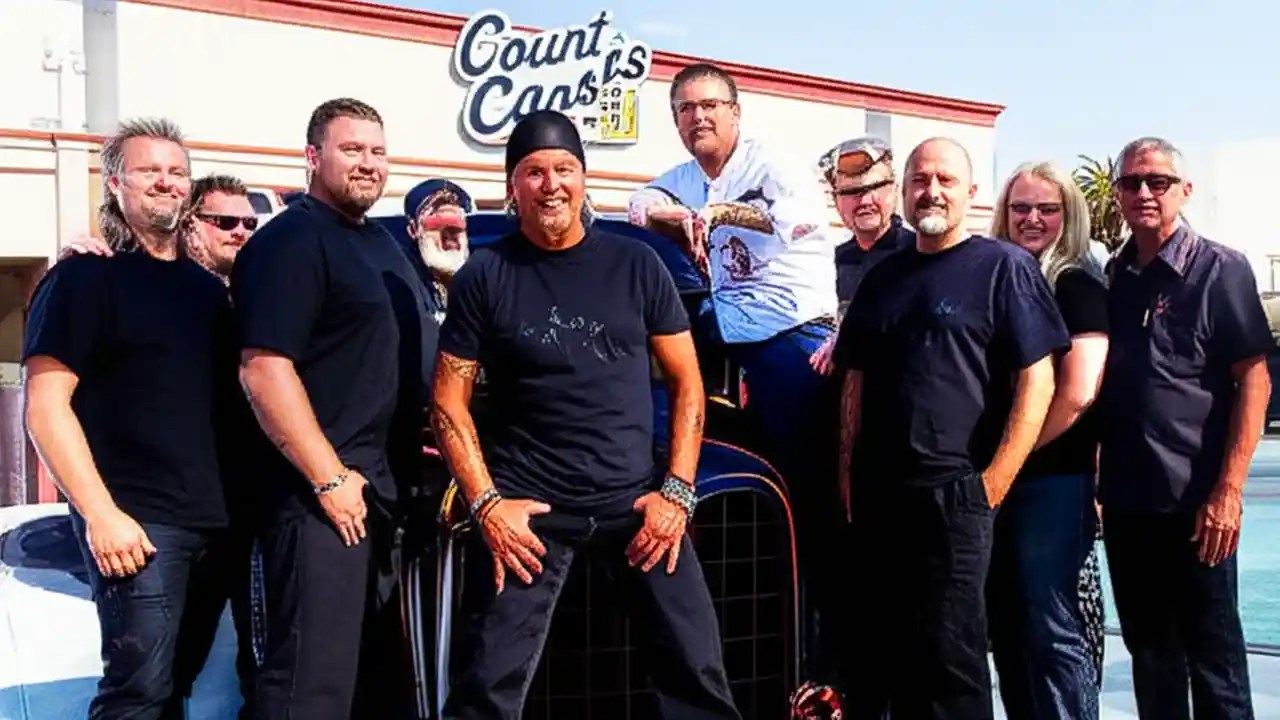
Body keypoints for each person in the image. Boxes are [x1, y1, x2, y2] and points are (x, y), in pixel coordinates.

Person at [433, 109, 740, 720]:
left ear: (583, 177)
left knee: (698, 678)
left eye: (564, 169)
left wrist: (676, 493)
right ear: (513, 185)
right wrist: (488, 506)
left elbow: (687, 382)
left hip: (637, 507)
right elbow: (447, 400)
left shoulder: (637, 265)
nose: (552, 184)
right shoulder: (485, 275)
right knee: (484, 688)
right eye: (534, 171)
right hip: (531, 516)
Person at [833, 137, 1069, 720]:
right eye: (919, 180)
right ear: (904, 193)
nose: (930, 191)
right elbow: (855, 382)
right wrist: (845, 472)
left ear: (970, 192)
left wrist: (992, 485)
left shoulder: (1003, 268)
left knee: (951, 664)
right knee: (882, 660)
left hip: (955, 497)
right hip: (880, 499)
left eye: (944, 179)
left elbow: (1038, 382)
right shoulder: (881, 277)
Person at [626, 61, 843, 685]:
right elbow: (637, 205)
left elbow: (794, 221)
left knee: (807, 494)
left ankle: (820, 652)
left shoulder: (771, 166)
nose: (699, 117)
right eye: (686, 109)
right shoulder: (685, 178)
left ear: (736, 112)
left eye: (711, 105)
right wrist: (675, 216)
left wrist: (719, 216)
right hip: (727, 339)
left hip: (791, 339)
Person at [23, 118, 235, 719]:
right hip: (137, 527)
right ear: (115, 183)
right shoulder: (83, 277)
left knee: (173, 691)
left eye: (177, 172)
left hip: (213, 526)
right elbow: (45, 405)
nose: (166, 183)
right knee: (136, 694)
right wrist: (101, 514)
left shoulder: (207, 291)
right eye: (149, 171)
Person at [230, 97, 432, 719]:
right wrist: (329, 477)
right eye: (352, 150)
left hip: (379, 499)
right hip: (320, 503)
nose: (368, 164)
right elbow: (264, 370)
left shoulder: (380, 241)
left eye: (377, 151)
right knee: (308, 689)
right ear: (314, 157)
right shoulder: (291, 241)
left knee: (371, 687)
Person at [1097, 137, 1270, 719]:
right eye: (1131, 183)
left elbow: (1255, 379)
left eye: (1158, 182)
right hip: (1127, 505)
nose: (1143, 192)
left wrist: (1229, 490)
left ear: (1184, 190)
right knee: (1151, 658)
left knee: (1215, 661)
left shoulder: (1222, 269)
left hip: (1198, 507)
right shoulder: (1115, 276)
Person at [988, 161, 1109, 720]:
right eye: (1020, 208)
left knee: (1050, 623)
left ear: (1070, 215)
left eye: (1047, 209)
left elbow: (1079, 392)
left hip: (1054, 479)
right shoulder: (999, 276)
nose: (1032, 219)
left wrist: (1014, 453)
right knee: (1008, 623)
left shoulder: (1076, 284)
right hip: (999, 481)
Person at [810, 135, 915, 376]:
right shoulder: (827, 264)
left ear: (895, 189)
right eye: (852, 192)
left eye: (874, 188)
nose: (864, 200)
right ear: (835, 200)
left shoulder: (921, 256)